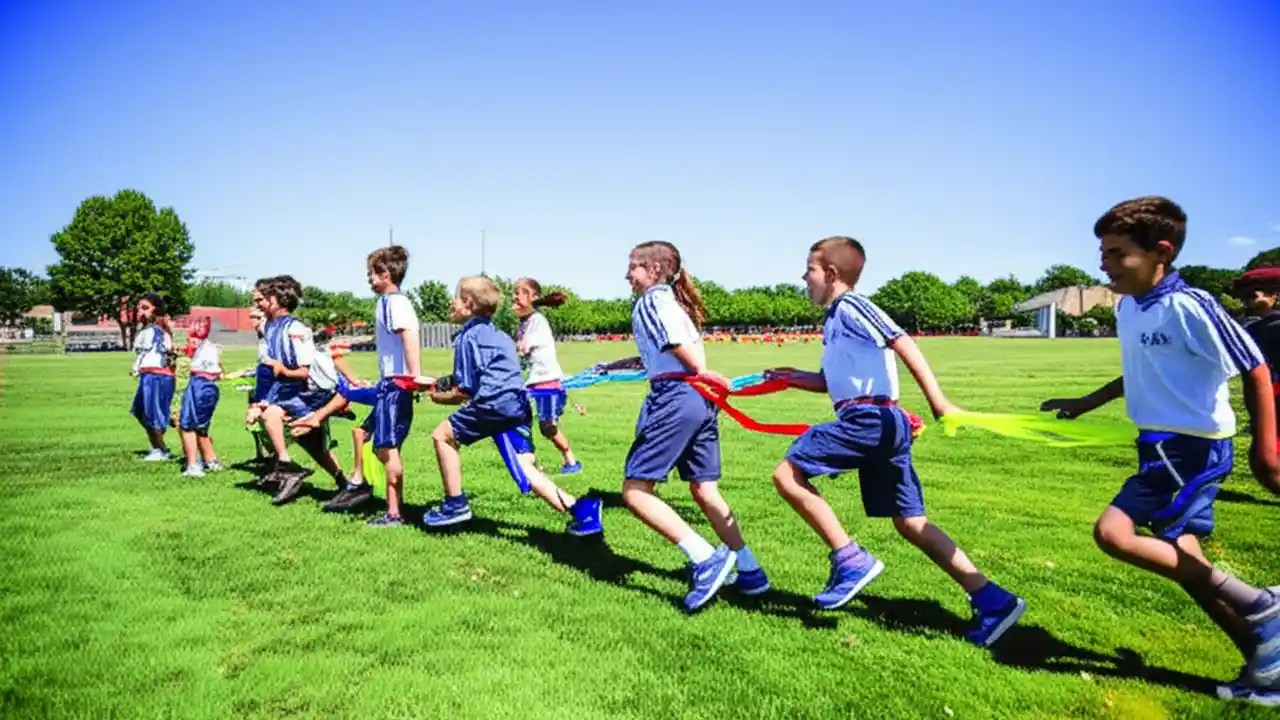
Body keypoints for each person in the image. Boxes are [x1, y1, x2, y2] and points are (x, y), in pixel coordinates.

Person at [1040, 196, 1280, 704]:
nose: (1103, 262)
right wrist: (1086, 402)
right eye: (1102, 251)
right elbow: (1145, 371)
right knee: (1184, 560)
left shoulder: (1189, 306)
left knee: (1113, 533)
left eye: (1116, 252)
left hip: (1190, 450)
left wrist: (1267, 450)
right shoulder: (1131, 307)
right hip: (1159, 448)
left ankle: (1262, 606)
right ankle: (1268, 661)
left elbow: (1255, 366)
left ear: (1160, 252)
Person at [766, 236, 1024, 647]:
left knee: (787, 474)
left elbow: (902, 340)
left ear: (831, 274)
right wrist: (792, 377)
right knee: (910, 522)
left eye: (809, 270)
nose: (803, 277)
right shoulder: (835, 320)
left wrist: (939, 402)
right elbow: (834, 382)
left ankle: (850, 560)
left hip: (870, 420)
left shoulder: (852, 305)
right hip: (879, 421)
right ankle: (993, 600)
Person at [613, 241, 767, 612]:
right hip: (700, 400)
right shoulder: (671, 302)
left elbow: (678, 347)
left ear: (654, 271)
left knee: (635, 490)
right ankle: (749, 571)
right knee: (704, 488)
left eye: (633, 267)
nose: (626, 274)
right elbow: (661, 351)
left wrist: (699, 370)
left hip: (675, 397)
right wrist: (612, 365)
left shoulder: (650, 301)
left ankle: (705, 559)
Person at [420, 276, 603, 536]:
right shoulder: (501, 336)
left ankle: (455, 505)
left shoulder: (467, 337)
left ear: (469, 304)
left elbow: (464, 391)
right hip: (518, 404)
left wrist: (437, 396)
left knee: (443, 436)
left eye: (456, 297)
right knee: (524, 466)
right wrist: (441, 382)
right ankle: (582, 511)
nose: (452, 301)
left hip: (493, 405)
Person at [512, 277, 582, 474]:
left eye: (519, 293)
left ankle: (571, 461)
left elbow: (523, 348)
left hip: (547, 383)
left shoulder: (537, 321)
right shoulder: (526, 322)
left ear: (532, 296)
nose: (514, 298)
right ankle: (531, 464)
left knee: (547, 426)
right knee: (520, 420)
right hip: (531, 382)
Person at [129, 292, 177, 461]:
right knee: (139, 411)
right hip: (146, 374)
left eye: (145, 308)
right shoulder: (145, 329)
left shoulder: (161, 329)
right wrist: (136, 367)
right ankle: (160, 446)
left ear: (156, 310)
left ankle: (159, 449)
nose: (141, 312)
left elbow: (168, 350)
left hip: (158, 375)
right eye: (139, 308)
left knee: (153, 414)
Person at [177, 316, 223, 477]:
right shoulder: (212, 347)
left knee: (187, 425)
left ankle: (193, 465)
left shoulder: (199, 343)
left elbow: (188, 351)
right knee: (201, 427)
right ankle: (210, 460)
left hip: (199, 383)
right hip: (210, 386)